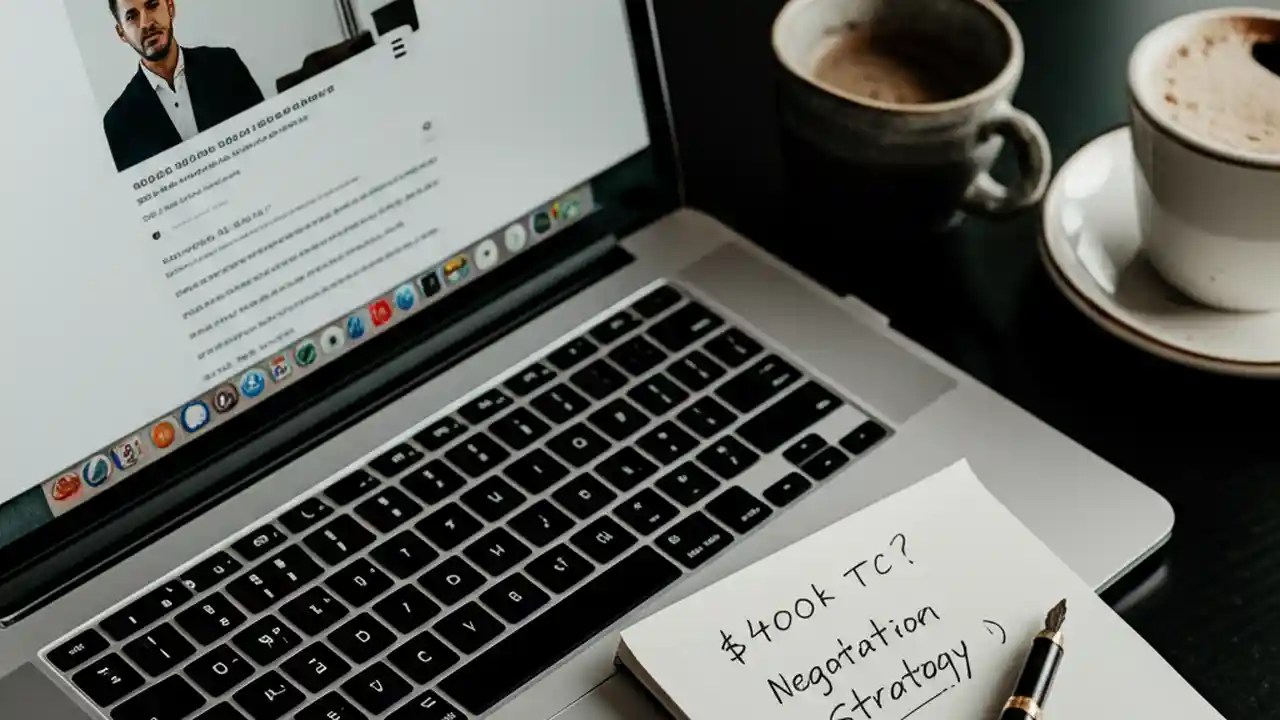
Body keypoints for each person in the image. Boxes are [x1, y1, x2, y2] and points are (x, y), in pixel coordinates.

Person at [103, 0, 264, 172]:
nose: (146, 23)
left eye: (152, 5)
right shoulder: (118, 123)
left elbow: (267, 139)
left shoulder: (226, 65)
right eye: (131, 16)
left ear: (170, 7)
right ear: (121, 33)